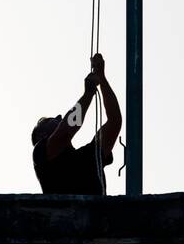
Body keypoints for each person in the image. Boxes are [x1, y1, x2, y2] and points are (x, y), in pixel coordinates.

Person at [31, 53, 122, 194]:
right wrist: (88, 94)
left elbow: (115, 121)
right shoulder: (41, 156)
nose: (59, 116)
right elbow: (65, 132)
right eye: (50, 120)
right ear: (42, 135)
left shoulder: (89, 155)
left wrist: (102, 78)